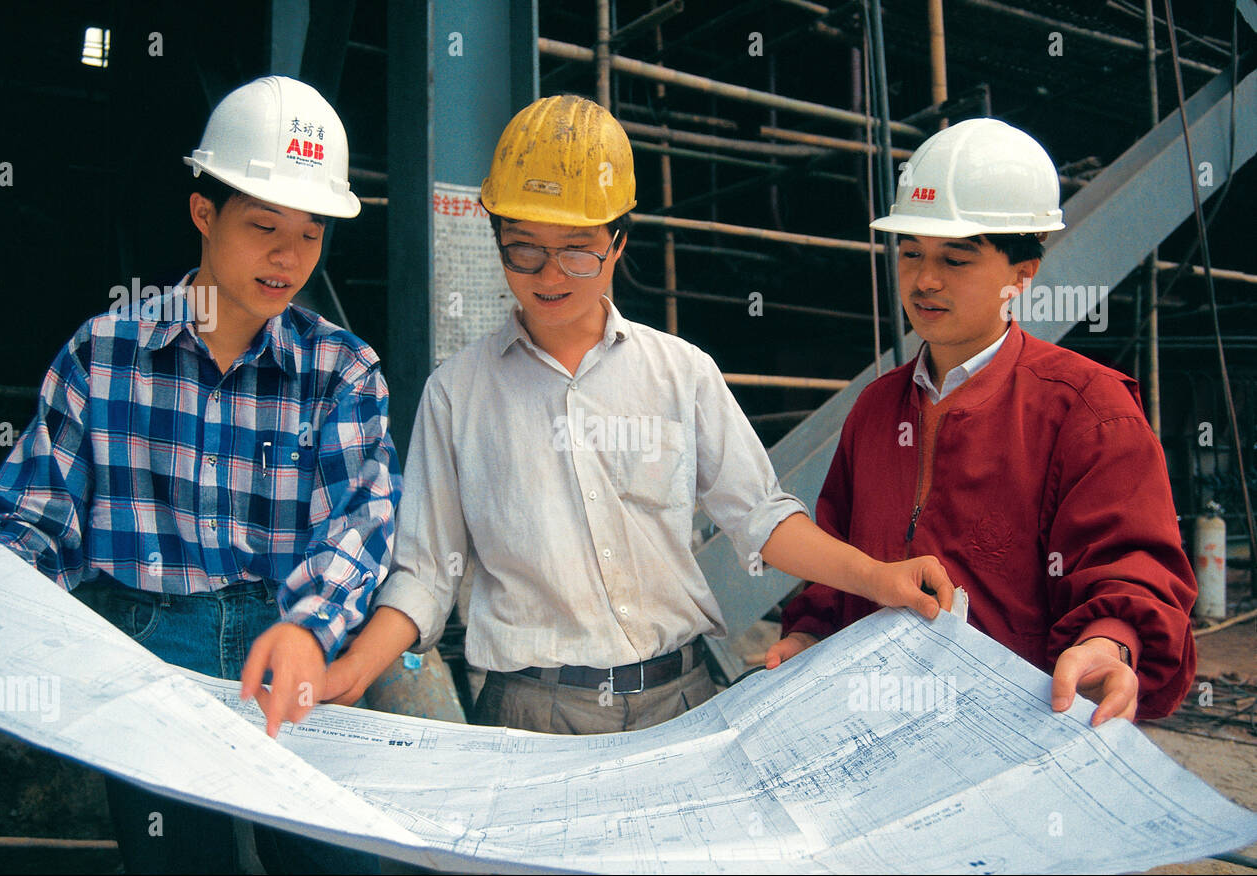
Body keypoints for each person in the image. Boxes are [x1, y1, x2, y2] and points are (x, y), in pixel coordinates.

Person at [320, 94, 953, 735]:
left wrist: (878, 577)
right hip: (528, 715)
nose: (549, 274)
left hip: (682, 699)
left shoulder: (680, 374)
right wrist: (355, 668)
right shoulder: (457, 396)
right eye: (524, 248)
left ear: (619, 241)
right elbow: (426, 575)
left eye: (577, 248)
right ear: (498, 238)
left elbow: (761, 519)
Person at [0, 76, 398, 872]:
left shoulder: (341, 372)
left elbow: (360, 523)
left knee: (333, 864)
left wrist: (311, 627)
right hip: (146, 658)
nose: (287, 256)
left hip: (289, 646)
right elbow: (31, 518)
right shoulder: (105, 355)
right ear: (204, 214)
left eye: (310, 234)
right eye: (264, 225)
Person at [767, 118, 1197, 725]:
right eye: (910, 252)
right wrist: (809, 636)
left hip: (1010, 741)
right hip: (868, 728)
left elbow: (1131, 566)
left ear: (1023, 274)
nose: (924, 280)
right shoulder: (875, 410)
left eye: (956, 259)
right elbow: (836, 559)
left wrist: (1106, 644)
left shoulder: (1086, 409)